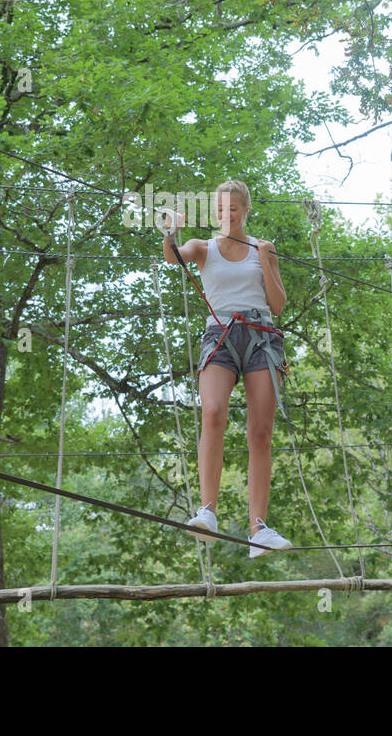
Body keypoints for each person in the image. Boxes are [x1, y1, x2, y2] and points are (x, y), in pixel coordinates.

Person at [162, 180, 292, 558]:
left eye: (232, 209)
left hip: (261, 337)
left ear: (245, 210)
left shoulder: (261, 249)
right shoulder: (203, 248)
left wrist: (268, 260)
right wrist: (171, 230)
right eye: (219, 210)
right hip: (219, 335)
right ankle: (207, 512)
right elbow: (175, 256)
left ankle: (259, 529)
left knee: (260, 432)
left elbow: (278, 304)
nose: (226, 216)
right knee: (214, 412)